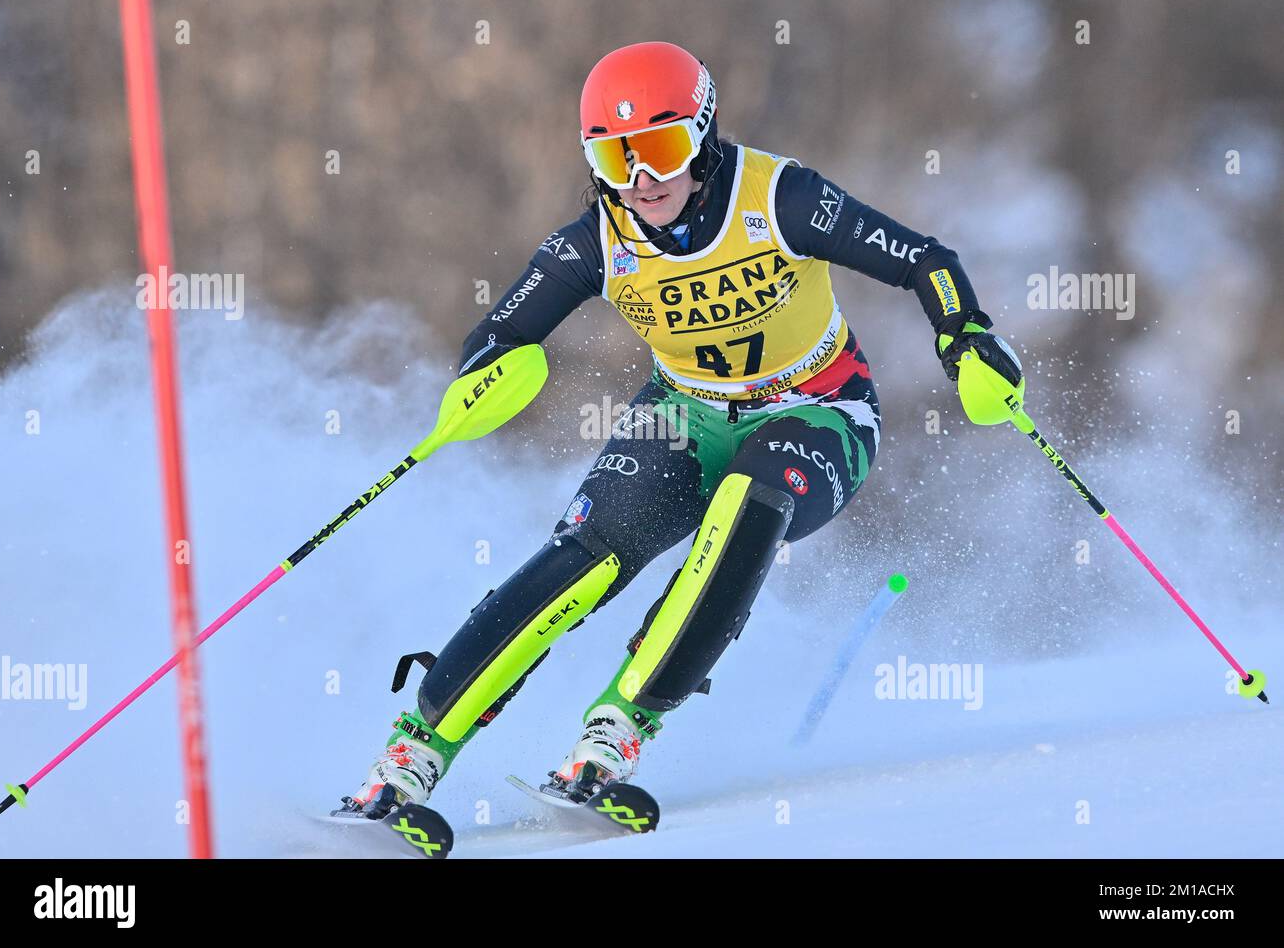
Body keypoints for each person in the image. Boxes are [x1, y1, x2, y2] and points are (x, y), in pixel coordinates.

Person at [340, 41, 1022, 815]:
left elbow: (923, 259)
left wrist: (966, 336)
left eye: (661, 148)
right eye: (615, 156)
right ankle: (412, 753)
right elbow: (498, 336)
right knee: (582, 562)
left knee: (746, 505)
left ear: (703, 132)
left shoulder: (780, 198)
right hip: (683, 413)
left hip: (821, 410)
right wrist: (483, 380)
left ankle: (617, 729)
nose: (642, 178)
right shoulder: (594, 241)